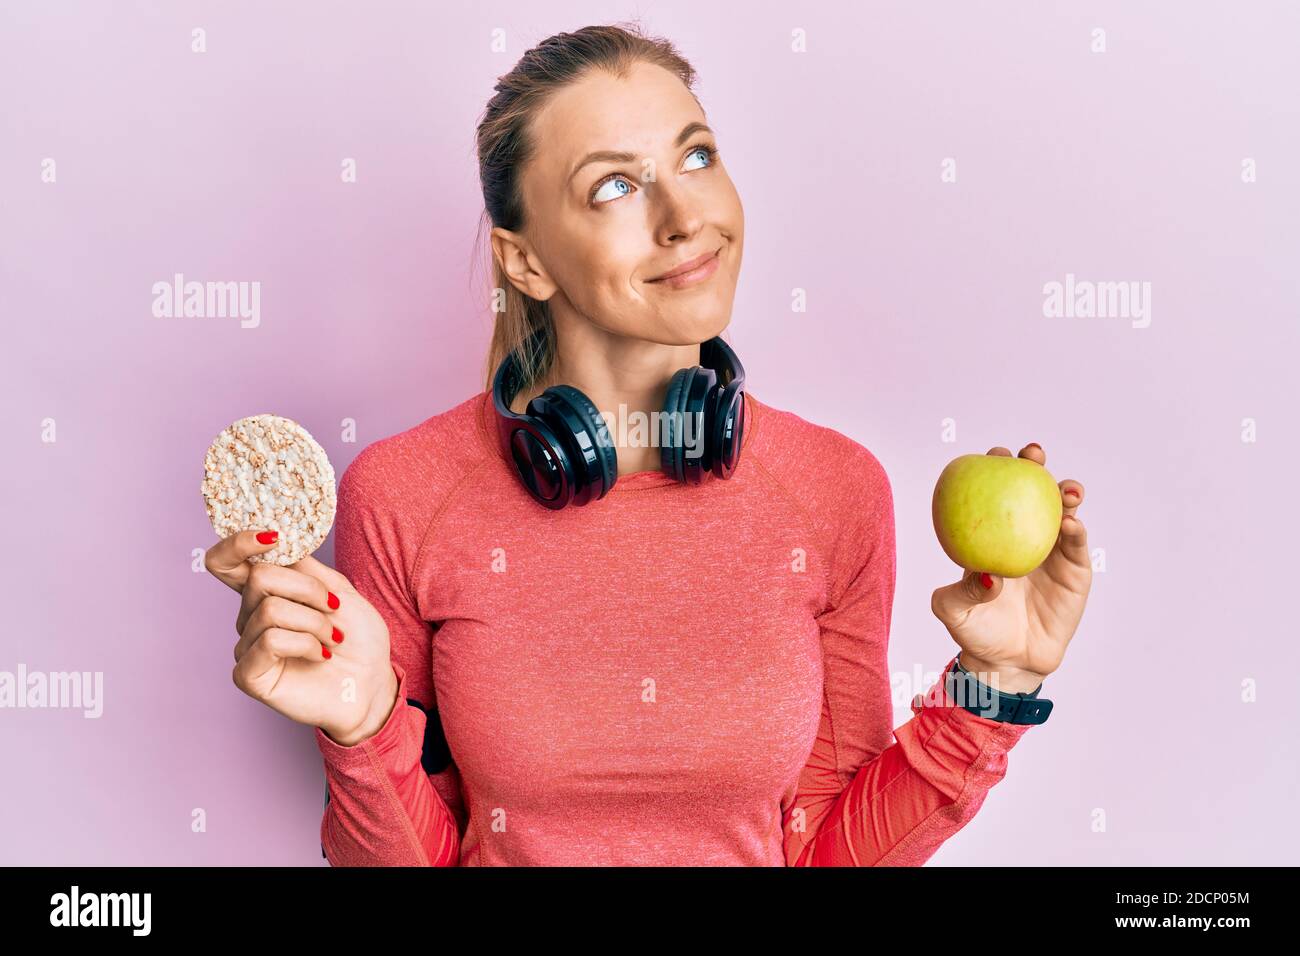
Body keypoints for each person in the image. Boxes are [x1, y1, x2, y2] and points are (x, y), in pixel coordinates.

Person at [204, 22, 1092, 866]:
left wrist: (996, 677)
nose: (684, 217)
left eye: (696, 156)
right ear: (526, 263)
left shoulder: (835, 490)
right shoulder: (401, 493)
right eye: (615, 186)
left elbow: (829, 847)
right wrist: (362, 729)